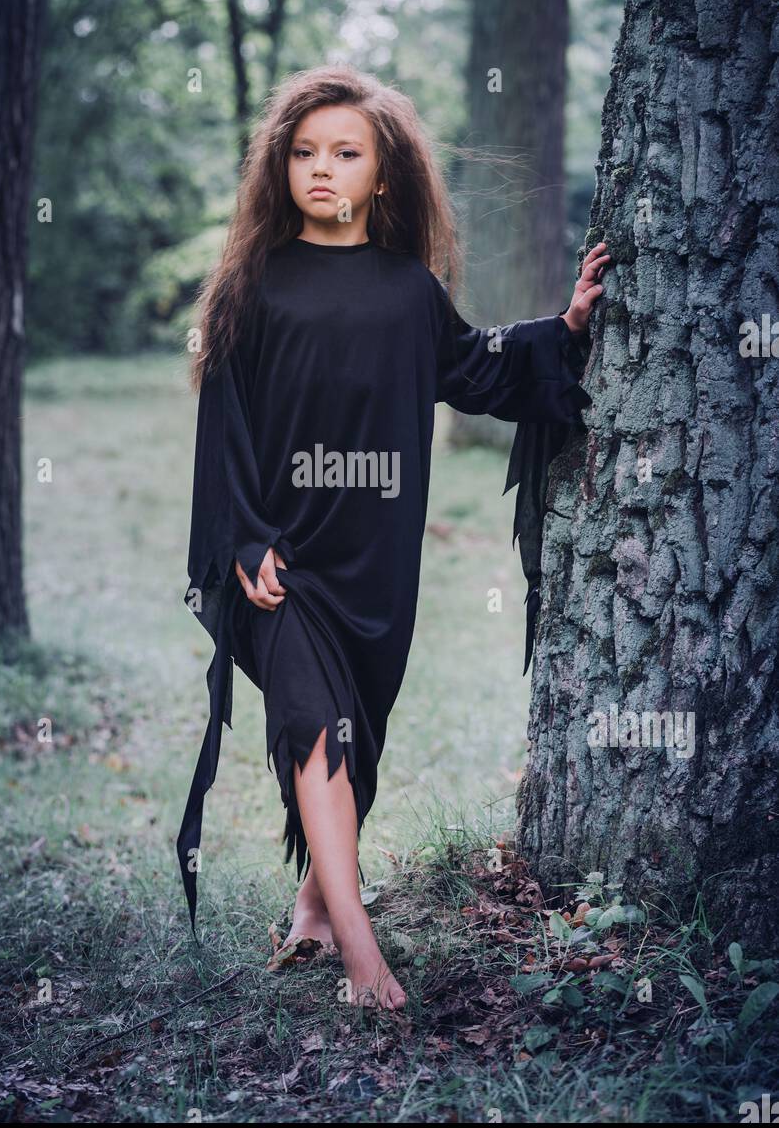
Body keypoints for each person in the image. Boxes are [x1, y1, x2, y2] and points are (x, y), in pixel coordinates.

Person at [178, 65, 608, 1011]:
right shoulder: (252, 288)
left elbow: (476, 368)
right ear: (277, 167)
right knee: (311, 732)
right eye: (303, 153)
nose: (321, 169)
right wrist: (244, 539)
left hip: (375, 563)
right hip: (281, 562)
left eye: (345, 153)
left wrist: (566, 328)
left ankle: (314, 909)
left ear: (383, 175)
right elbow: (225, 429)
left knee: (351, 735)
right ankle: (366, 961)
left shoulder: (410, 292)